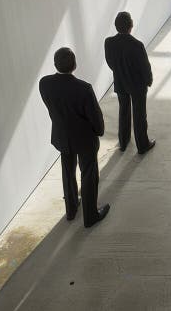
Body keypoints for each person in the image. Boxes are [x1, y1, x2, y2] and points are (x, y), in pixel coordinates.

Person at [39, 47, 110, 228]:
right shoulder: (83, 89)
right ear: (75, 65)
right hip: (84, 139)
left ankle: (71, 209)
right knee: (88, 174)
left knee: (67, 171)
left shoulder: (44, 84)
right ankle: (90, 215)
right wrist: (99, 131)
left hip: (62, 137)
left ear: (55, 64)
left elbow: (52, 106)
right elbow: (95, 117)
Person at [104, 11, 156, 154]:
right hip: (137, 85)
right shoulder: (137, 45)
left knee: (123, 111)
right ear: (131, 25)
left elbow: (110, 62)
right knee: (139, 115)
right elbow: (144, 67)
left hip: (120, 82)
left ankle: (123, 141)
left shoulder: (109, 42)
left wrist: (120, 72)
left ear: (116, 26)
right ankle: (142, 145)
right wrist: (149, 80)